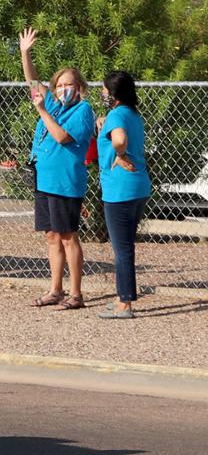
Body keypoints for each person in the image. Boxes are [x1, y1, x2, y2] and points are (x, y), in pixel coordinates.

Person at [19, 27, 97, 310]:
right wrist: (25, 52)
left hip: (65, 182)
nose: (63, 89)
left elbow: (62, 136)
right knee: (51, 236)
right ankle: (56, 289)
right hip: (45, 179)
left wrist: (41, 110)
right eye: (59, 85)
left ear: (79, 88)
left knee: (67, 236)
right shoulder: (52, 103)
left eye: (69, 85)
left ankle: (76, 294)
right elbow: (32, 81)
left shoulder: (82, 110)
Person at [96, 71, 152, 319]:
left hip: (120, 190)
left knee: (122, 248)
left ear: (114, 94)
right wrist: (103, 121)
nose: (103, 94)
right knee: (126, 245)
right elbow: (116, 129)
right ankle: (122, 296)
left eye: (105, 90)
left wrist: (119, 154)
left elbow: (119, 139)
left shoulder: (117, 115)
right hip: (139, 187)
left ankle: (125, 303)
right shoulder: (131, 114)